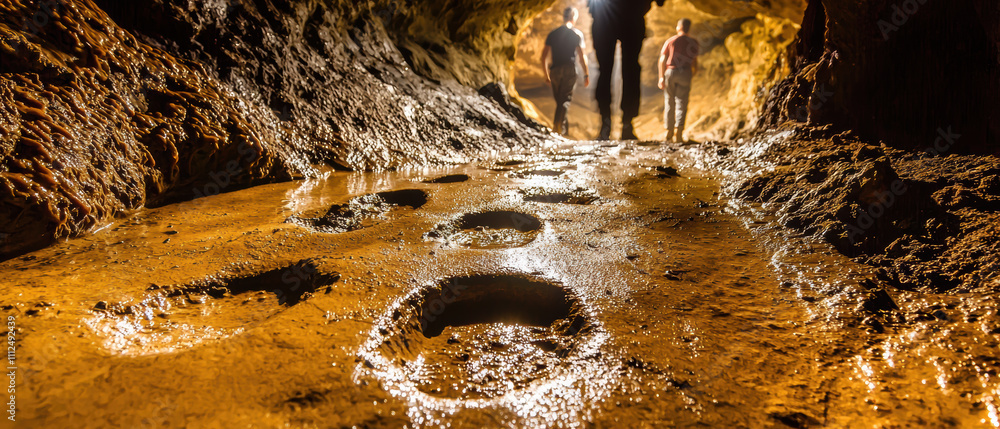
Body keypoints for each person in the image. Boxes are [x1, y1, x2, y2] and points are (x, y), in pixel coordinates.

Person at [588, 0, 666, 140]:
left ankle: (607, 124)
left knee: (607, 71)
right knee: (630, 71)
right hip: (631, 17)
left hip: (605, 18)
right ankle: (626, 125)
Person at [541, 7, 590, 136]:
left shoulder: (553, 33)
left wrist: (546, 74)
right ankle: (557, 130)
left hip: (555, 70)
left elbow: (543, 56)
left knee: (560, 102)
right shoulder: (577, 34)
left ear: (564, 17)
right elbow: (581, 56)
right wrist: (586, 74)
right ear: (574, 18)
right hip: (569, 69)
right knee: (564, 101)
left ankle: (564, 132)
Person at [658, 18, 699, 143]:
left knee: (669, 102)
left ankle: (668, 132)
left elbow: (662, 59)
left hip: (671, 71)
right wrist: (692, 73)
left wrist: (661, 77)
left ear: (679, 27)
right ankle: (679, 133)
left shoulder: (671, 41)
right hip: (685, 72)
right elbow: (694, 61)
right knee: (682, 102)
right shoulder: (693, 42)